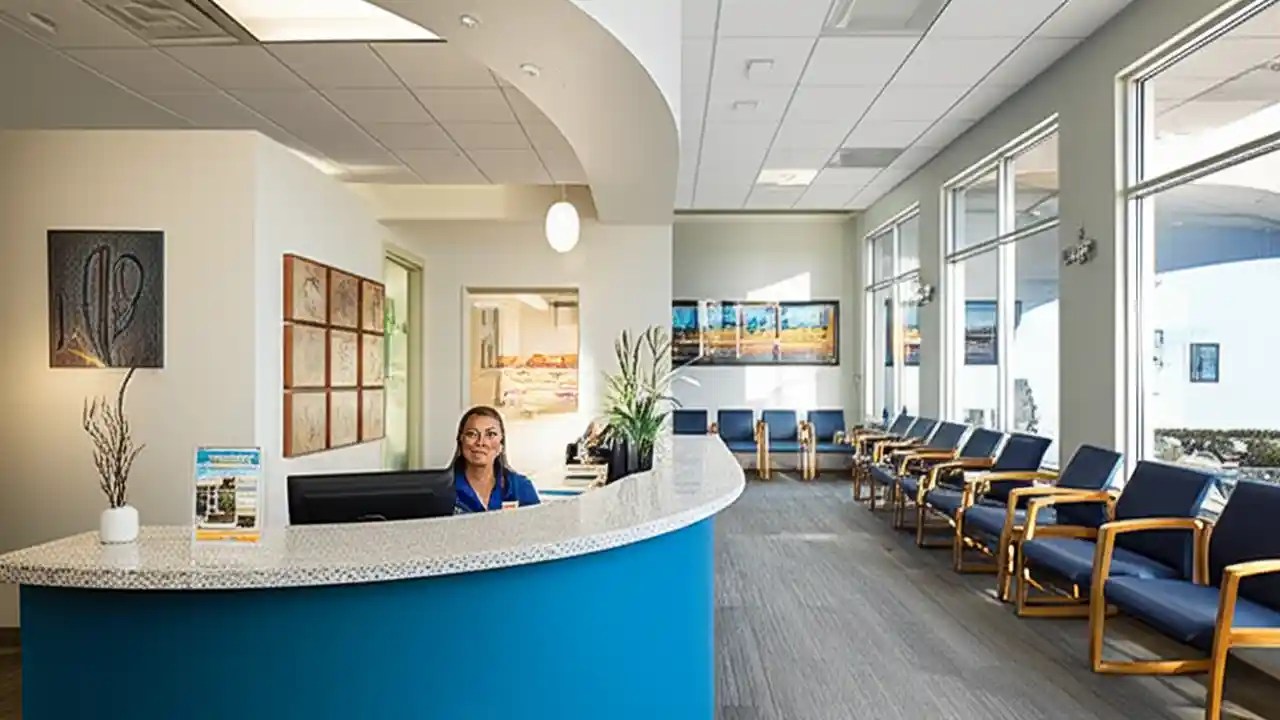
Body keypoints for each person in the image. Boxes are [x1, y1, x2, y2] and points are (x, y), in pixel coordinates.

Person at [451, 405, 541, 514]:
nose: (480, 442)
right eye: (472, 434)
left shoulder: (520, 487)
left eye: (490, 434)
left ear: (501, 444)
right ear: (460, 440)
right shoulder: (441, 490)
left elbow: (538, 529)